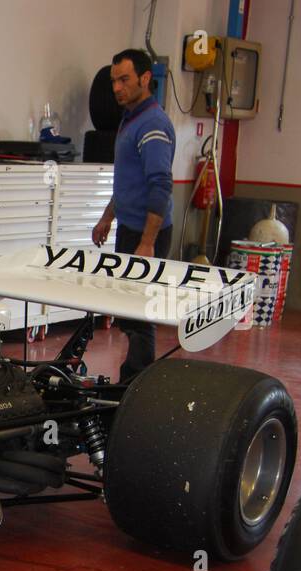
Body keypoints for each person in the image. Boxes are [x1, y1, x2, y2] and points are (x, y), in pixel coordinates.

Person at [92, 48, 176, 382]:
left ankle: (137, 382)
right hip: (129, 228)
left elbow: (160, 185)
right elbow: (129, 181)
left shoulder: (153, 123)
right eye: (114, 81)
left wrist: (148, 242)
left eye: (124, 79)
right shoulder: (130, 119)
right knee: (129, 310)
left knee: (141, 314)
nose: (116, 88)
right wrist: (107, 217)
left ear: (145, 78)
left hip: (147, 234)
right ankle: (133, 376)